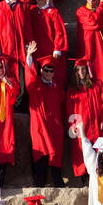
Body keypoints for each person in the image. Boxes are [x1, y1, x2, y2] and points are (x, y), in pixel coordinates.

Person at [24, 44, 66, 187]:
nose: (48, 72)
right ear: (41, 70)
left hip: (54, 125)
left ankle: (57, 182)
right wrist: (29, 56)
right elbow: (29, 77)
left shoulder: (57, 87)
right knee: (41, 152)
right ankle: (39, 183)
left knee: (56, 154)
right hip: (40, 125)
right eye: (45, 70)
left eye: (51, 70)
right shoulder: (35, 86)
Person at [66, 58, 103, 178]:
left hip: (96, 124)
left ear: (87, 70)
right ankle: (85, 179)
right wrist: (73, 125)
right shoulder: (72, 90)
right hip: (82, 125)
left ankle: (102, 175)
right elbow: (70, 109)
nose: (81, 72)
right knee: (83, 151)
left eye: (83, 69)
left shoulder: (96, 86)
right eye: (78, 70)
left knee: (100, 149)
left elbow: (102, 104)